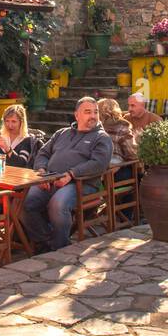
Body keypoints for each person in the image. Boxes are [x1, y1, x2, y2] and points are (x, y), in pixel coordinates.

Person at [25, 97, 113, 252]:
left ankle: (59, 247)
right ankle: (46, 241)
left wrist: (71, 174)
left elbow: (99, 163)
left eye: (95, 112)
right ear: (77, 115)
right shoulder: (62, 133)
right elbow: (43, 153)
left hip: (80, 184)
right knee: (26, 202)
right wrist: (42, 171)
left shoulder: (101, 137)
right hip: (50, 179)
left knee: (58, 204)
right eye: (88, 112)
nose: (93, 116)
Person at [0, 104, 43, 168]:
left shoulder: (26, 140)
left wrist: (8, 149)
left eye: (13, 121)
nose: (10, 125)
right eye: (7, 121)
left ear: (21, 122)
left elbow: (22, 165)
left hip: (16, 178)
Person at [97, 98, 139, 164]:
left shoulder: (94, 126)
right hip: (115, 168)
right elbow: (132, 154)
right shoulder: (122, 126)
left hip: (95, 165)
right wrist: (137, 140)